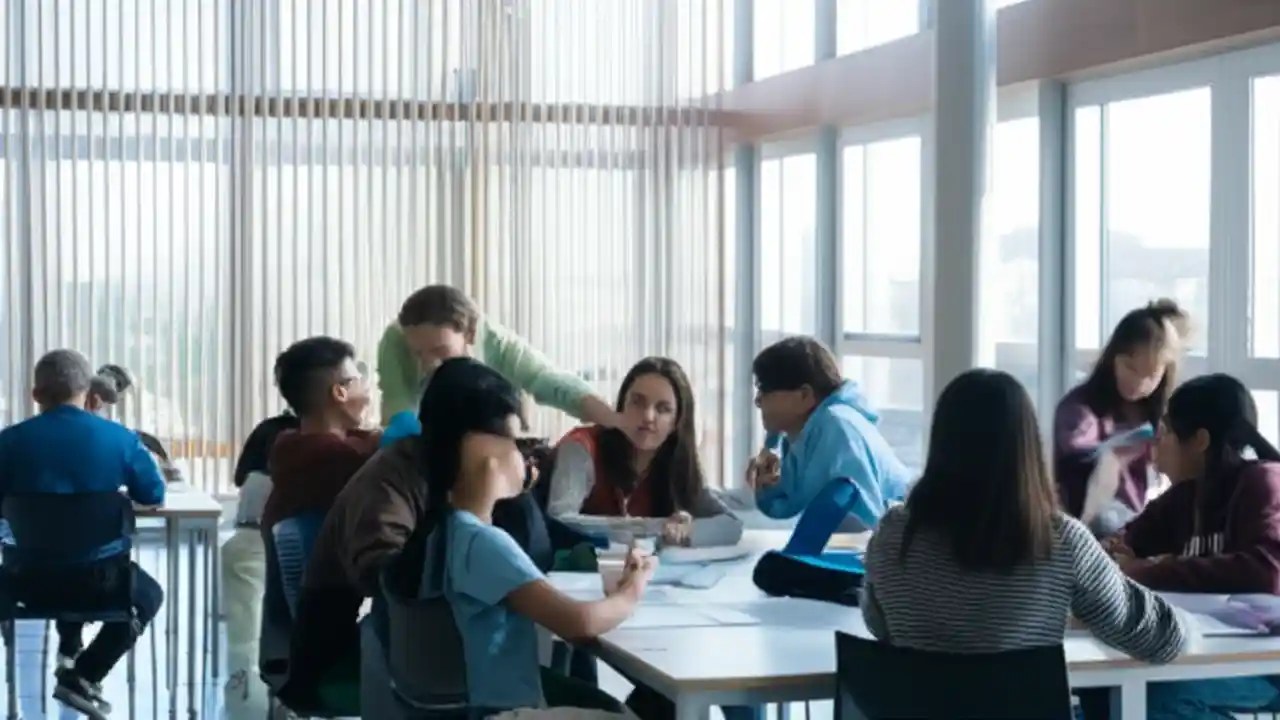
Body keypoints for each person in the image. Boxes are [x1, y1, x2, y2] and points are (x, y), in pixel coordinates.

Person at [861, 369, 1188, 685]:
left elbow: (880, 624)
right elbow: (1158, 639)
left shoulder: (894, 535)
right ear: (1028, 449)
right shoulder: (1061, 542)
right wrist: (1190, 623)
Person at [402, 357, 654, 716]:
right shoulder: (483, 543)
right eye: (515, 440)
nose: (527, 456)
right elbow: (578, 625)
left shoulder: (444, 528)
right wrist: (632, 591)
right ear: (481, 451)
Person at [0, 350, 166, 719]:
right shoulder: (120, 439)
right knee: (149, 595)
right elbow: (153, 494)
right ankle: (85, 674)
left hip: (21, 584)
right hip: (100, 584)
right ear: (87, 390)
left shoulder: (7, 443)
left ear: (35, 394)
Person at [1108, 374, 1280, 718]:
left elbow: (1267, 572)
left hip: (1263, 666)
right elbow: (1119, 547)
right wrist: (1119, 555)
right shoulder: (1184, 497)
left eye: (1164, 435)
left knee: (1158, 699)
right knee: (1108, 695)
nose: (1154, 454)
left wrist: (1151, 571)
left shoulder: (1263, 482)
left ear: (1199, 440)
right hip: (1201, 653)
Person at [261, 337, 379, 709]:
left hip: (296, 646)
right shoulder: (336, 460)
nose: (368, 391)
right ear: (340, 392)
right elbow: (372, 454)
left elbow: (362, 441)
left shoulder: (292, 443)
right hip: (323, 656)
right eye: (359, 379)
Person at [547, 356, 742, 547]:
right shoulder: (581, 447)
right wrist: (655, 527)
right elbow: (560, 519)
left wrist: (685, 530)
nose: (648, 416)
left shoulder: (676, 463)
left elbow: (731, 525)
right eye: (637, 402)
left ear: (676, 422)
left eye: (663, 409)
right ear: (621, 406)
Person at [377, 284, 622, 427]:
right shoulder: (395, 342)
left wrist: (613, 420)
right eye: (418, 354)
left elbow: (545, 378)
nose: (429, 365)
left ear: (470, 333)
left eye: (440, 352)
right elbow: (400, 411)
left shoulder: (493, 339)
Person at [746, 337, 911, 530]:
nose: (758, 401)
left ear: (804, 396)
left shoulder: (838, 429)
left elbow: (864, 524)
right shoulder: (799, 438)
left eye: (764, 390)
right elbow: (793, 510)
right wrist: (767, 489)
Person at [1055, 299, 1190, 535]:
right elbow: (1077, 457)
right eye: (1130, 368)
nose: (1138, 382)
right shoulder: (1080, 406)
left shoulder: (1163, 416)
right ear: (1113, 359)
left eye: (1150, 375)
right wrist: (1118, 454)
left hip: (1143, 519)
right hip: (1087, 525)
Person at [222, 411, 299, 719]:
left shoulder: (254, 479)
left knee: (244, 641)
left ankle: (245, 706)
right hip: (279, 548)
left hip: (244, 546)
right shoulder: (295, 478)